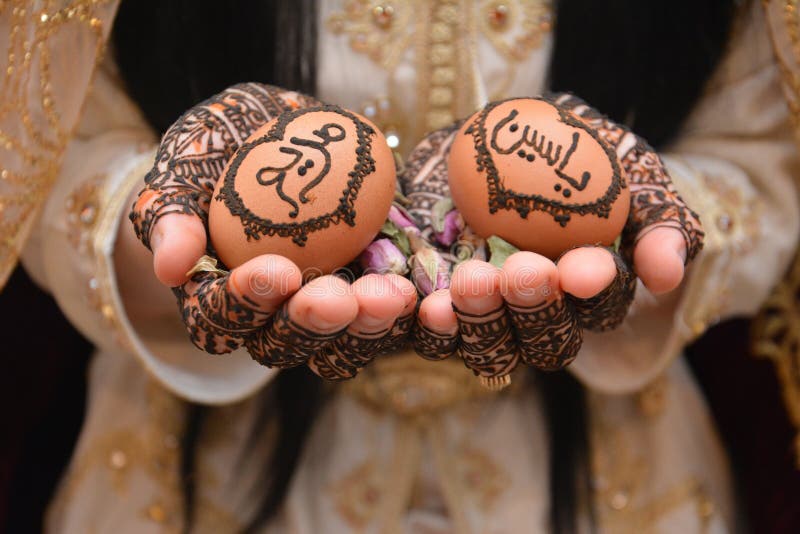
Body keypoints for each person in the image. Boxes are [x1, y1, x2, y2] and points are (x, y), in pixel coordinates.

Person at [2, 0, 799, 532]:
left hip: (607, 475)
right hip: (205, 473)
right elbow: (39, 139)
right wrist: (179, 255)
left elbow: (765, 145)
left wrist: (639, 236)